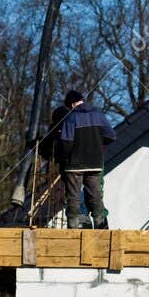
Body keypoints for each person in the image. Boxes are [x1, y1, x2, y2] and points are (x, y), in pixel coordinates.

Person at [47, 90, 116, 229]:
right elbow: (111, 136)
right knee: (95, 194)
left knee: (73, 195)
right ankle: (100, 223)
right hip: (95, 163)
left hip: (74, 165)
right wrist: (97, 145)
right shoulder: (99, 115)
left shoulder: (71, 118)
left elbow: (66, 143)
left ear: (72, 104)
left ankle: (73, 225)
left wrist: (65, 158)